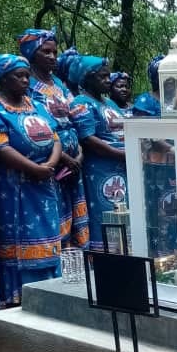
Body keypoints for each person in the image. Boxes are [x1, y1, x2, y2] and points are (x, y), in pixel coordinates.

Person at [0, 54, 63, 305]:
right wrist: (33, 168)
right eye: (19, 76)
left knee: (48, 234)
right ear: (3, 78)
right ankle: (21, 296)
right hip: (14, 186)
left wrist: (49, 164)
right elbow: (0, 147)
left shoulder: (35, 104)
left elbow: (55, 138)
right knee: (20, 239)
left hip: (44, 183)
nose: (26, 80)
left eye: (27, 75)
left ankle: (52, 289)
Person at [18, 28, 89, 251]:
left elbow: (75, 115)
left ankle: (78, 261)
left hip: (74, 161)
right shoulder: (26, 86)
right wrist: (64, 158)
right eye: (46, 52)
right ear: (32, 54)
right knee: (56, 214)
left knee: (75, 213)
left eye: (55, 52)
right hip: (51, 161)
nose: (52, 57)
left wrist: (79, 153)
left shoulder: (59, 84)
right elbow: (36, 124)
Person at [70, 56, 129, 251]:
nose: (107, 80)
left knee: (123, 214)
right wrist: (121, 154)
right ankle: (106, 258)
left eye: (108, 76)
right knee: (106, 214)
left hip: (122, 169)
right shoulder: (81, 103)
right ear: (88, 78)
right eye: (102, 77)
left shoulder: (110, 103)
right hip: (100, 171)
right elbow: (88, 139)